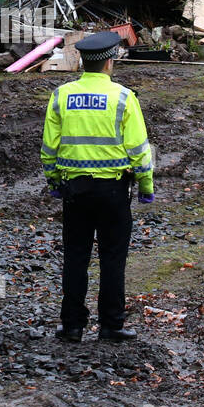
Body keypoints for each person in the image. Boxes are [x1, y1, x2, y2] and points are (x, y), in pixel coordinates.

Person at [39, 30, 154, 343]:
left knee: (75, 257)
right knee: (112, 259)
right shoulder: (123, 98)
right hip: (114, 193)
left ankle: (72, 325)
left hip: (74, 192)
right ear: (109, 62)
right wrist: (146, 185)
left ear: (82, 61)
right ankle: (111, 325)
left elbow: (49, 148)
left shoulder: (61, 96)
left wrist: (54, 181)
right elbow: (139, 149)